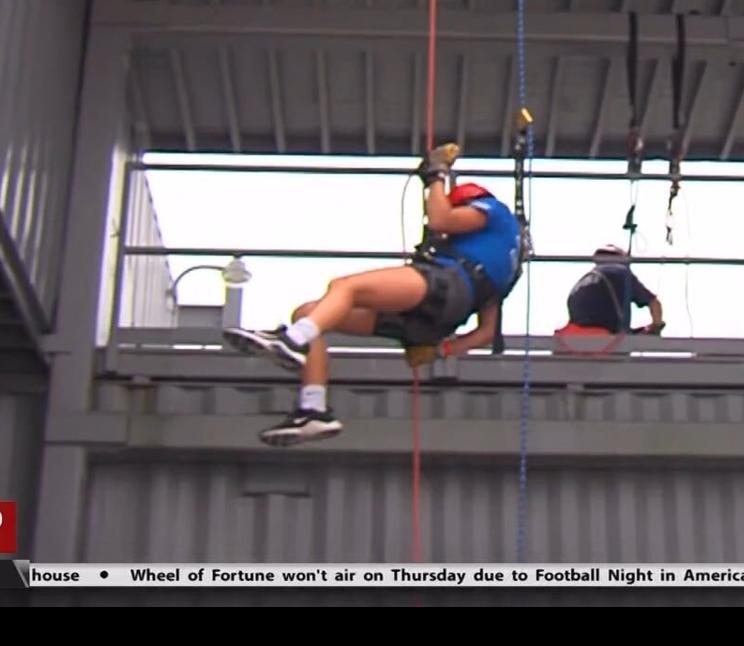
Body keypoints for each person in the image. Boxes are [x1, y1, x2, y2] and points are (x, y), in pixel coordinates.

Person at [223, 145, 522, 446]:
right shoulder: (504, 264)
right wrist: (439, 351)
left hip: (445, 285)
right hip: (432, 323)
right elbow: (485, 333)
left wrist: (436, 176)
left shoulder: (494, 211)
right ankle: (313, 409)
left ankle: (291, 341)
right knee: (310, 313)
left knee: (345, 287)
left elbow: (440, 219)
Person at [558, 244, 664, 336]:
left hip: (575, 338)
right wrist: (656, 326)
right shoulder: (622, 273)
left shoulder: (584, 281)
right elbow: (654, 303)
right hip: (606, 337)